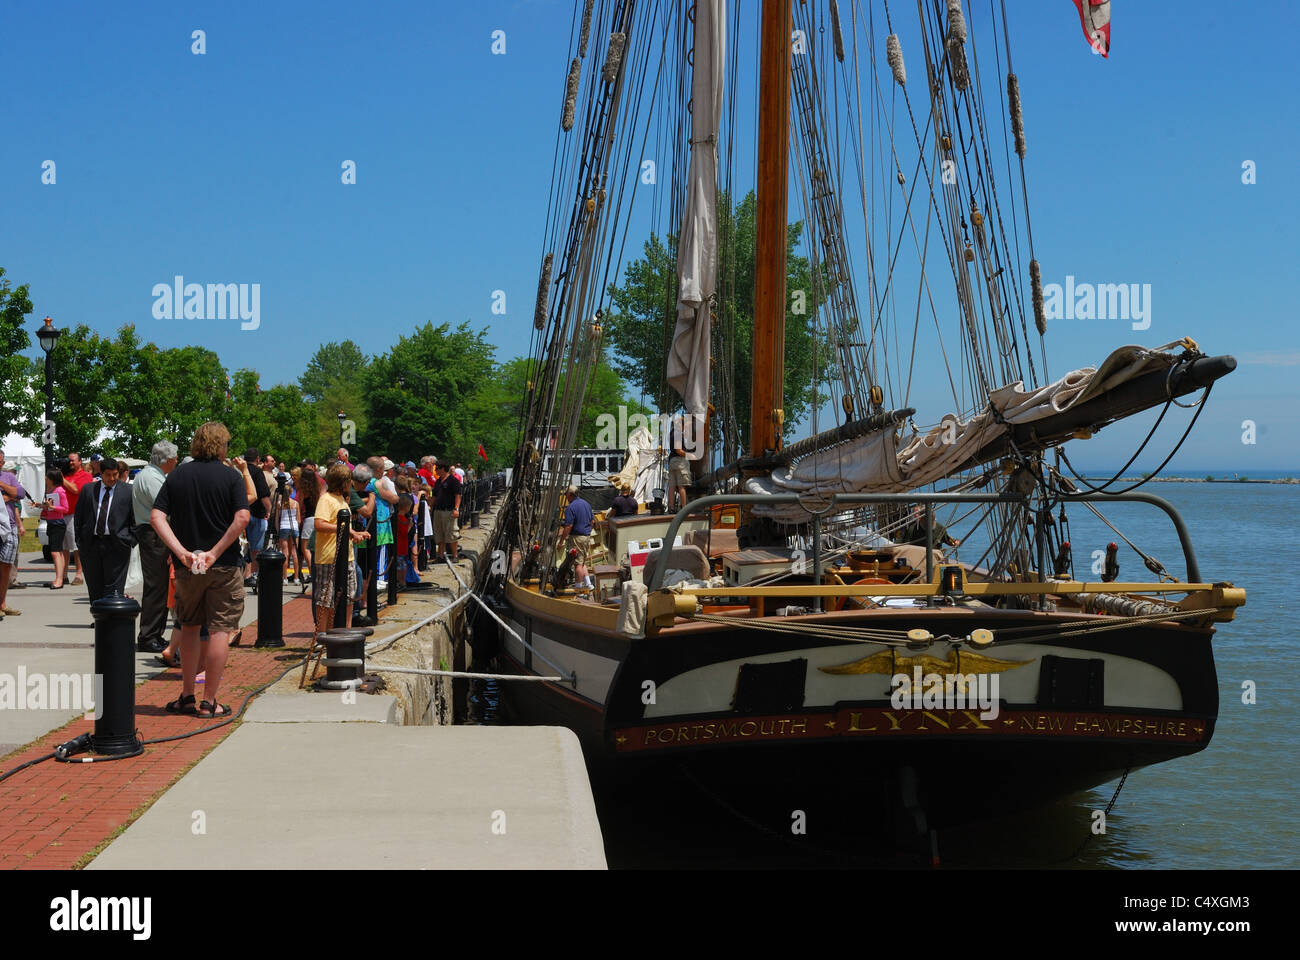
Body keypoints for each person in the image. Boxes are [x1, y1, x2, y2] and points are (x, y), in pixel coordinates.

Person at [151, 421, 250, 719]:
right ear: (221, 445)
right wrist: (215, 552)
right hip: (223, 565)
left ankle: (187, 696)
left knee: (189, 626)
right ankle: (209, 701)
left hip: (187, 567)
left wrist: (181, 552)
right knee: (220, 629)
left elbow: (157, 516)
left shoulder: (178, 475)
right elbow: (243, 517)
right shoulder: (231, 477)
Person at [131, 441, 178, 653]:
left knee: (158, 587)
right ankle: (149, 636)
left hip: (152, 533)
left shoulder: (150, 475)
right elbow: (165, 507)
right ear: (166, 460)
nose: (176, 462)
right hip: (153, 535)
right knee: (156, 587)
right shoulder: (151, 478)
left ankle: (153, 634)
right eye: (174, 458)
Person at [312, 463, 369, 636]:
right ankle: (322, 635)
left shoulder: (342, 500)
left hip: (347, 556)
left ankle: (346, 631)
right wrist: (347, 530)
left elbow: (343, 527)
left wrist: (354, 533)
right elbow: (319, 524)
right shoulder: (326, 499)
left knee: (349, 595)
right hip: (329, 557)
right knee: (325, 598)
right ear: (344, 481)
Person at [73, 458, 137, 602]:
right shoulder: (88, 490)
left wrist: (130, 540)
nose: (112, 478)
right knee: (94, 585)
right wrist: (80, 541)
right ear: (101, 473)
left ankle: (112, 620)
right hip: (91, 544)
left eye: (115, 474)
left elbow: (135, 518)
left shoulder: (128, 491)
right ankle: (99, 619)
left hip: (118, 544)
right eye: (108, 475)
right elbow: (79, 517)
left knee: (114, 587)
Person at [0, 449, 28, 613]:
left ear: (3, 463)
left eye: (0, 460)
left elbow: (21, 493)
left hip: (9, 527)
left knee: (5, 567)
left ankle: (2, 604)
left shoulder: (8, 477)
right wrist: (11, 495)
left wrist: (4, 488)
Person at [62, 452, 95, 585]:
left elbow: (76, 490)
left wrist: (61, 479)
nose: (70, 463)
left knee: (76, 547)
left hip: (75, 514)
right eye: (69, 460)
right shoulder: (66, 475)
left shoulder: (85, 475)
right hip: (62, 513)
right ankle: (63, 574)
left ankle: (79, 574)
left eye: (73, 461)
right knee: (63, 547)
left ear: (80, 462)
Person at [241, 447, 272, 588]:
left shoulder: (240, 471)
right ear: (258, 459)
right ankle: (250, 575)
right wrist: (269, 510)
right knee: (254, 548)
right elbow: (263, 494)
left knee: (244, 545)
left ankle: (244, 574)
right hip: (256, 514)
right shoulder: (257, 473)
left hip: (241, 512)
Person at [558, 485, 594, 590]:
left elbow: (568, 526)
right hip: (586, 536)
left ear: (569, 495)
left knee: (577, 564)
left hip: (576, 537)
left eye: (566, 495)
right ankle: (588, 584)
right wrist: (587, 531)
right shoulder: (586, 504)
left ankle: (578, 588)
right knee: (582, 561)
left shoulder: (571, 507)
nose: (566, 497)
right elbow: (592, 521)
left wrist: (561, 542)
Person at [41, 469, 71, 588]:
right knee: (58, 552)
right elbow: (51, 507)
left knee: (55, 552)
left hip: (58, 524)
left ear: (52, 479)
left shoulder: (60, 491)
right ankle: (61, 578)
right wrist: (41, 505)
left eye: (47, 477)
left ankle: (59, 580)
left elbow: (65, 508)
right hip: (52, 522)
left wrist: (51, 506)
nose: (45, 479)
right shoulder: (51, 490)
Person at [431, 460, 462, 562]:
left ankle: (455, 556)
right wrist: (431, 506)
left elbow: (458, 495)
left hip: (449, 511)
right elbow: (434, 495)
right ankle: (440, 556)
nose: (436, 471)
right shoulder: (438, 481)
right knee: (439, 534)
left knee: (451, 534)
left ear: (443, 469)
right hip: (438, 511)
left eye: (437, 469)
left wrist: (456, 509)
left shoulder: (453, 481)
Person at [896, 503, 961, 549]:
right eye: (926, 521)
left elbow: (947, 540)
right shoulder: (912, 529)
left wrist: (955, 542)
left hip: (935, 560)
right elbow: (905, 546)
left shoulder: (939, 528)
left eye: (932, 521)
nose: (929, 523)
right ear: (921, 519)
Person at [276, 476, 302, 584]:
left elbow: (277, 519)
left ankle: (284, 578)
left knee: (284, 552)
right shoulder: (295, 504)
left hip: (283, 527)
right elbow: (299, 519)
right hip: (294, 527)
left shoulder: (279, 503)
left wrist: (278, 530)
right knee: (294, 553)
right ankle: (296, 577)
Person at [665, 414, 692, 512]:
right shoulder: (677, 434)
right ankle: (684, 509)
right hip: (679, 461)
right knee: (681, 487)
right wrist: (690, 456)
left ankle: (671, 508)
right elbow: (679, 450)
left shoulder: (671, 434)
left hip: (672, 462)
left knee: (672, 486)